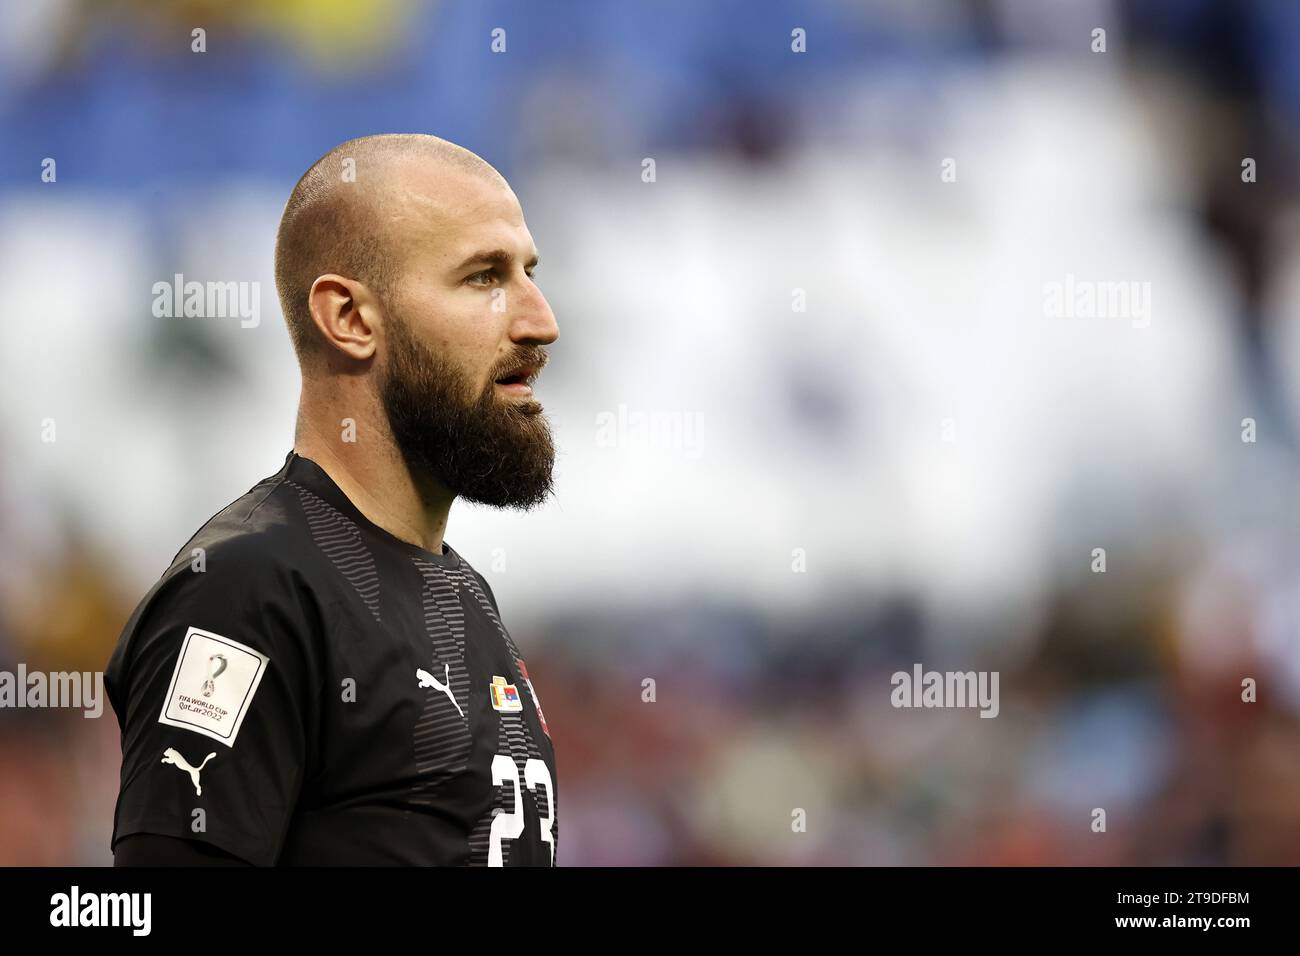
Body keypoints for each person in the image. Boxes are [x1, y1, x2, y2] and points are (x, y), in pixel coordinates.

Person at [106, 133, 560, 866]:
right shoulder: (247, 592)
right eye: (484, 277)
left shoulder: (464, 595)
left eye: (530, 273)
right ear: (349, 318)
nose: (541, 320)